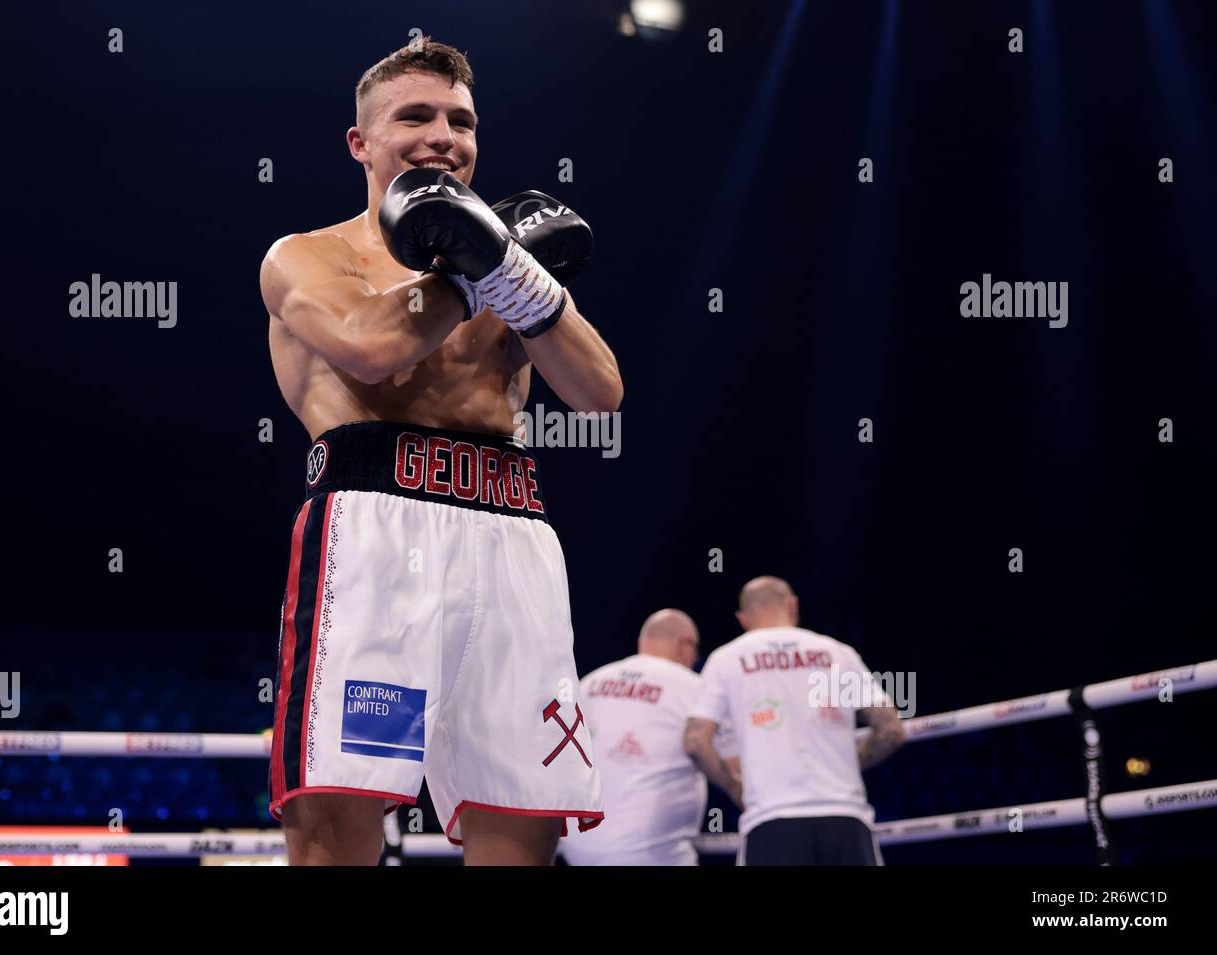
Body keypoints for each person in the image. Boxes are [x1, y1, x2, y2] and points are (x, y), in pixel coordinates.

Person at [260, 38, 622, 865]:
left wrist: (505, 266)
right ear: (361, 141)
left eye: (460, 121)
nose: (441, 136)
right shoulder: (305, 255)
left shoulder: (505, 262)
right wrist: (478, 267)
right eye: (414, 116)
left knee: (517, 817)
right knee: (336, 813)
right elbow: (369, 347)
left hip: (511, 534)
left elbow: (600, 391)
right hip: (373, 531)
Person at [685, 577, 905, 865]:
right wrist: (845, 762)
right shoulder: (838, 652)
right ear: (793, 605)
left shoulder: (727, 658)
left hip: (772, 819)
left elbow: (695, 742)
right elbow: (891, 730)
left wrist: (735, 786)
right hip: (845, 819)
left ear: (743, 619)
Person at [561, 610, 741, 866]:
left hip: (576, 847)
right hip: (653, 852)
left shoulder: (591, 682)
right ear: (684, 644)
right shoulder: (696, 688)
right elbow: (735, 766)